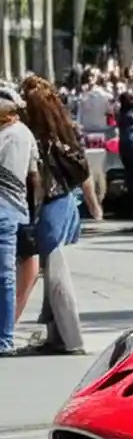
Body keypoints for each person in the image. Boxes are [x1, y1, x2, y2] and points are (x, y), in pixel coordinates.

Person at [12, 75, 99, 356]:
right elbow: (83, 172)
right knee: (55, 274)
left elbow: (34, 181)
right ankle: (59, 335)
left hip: (46, 208)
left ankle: (68, 337)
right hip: (63, 204)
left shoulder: (29, 135)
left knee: (52, 275)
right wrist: (94, 205)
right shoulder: (64, 131)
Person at [0, 87, 39, 357]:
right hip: (15, 210)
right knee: (6, 276)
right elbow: (34, 176)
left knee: (6, 276)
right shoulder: (25, 134)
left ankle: (4, 338)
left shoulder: (15, 134)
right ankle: (4, 338)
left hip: (7, 212)